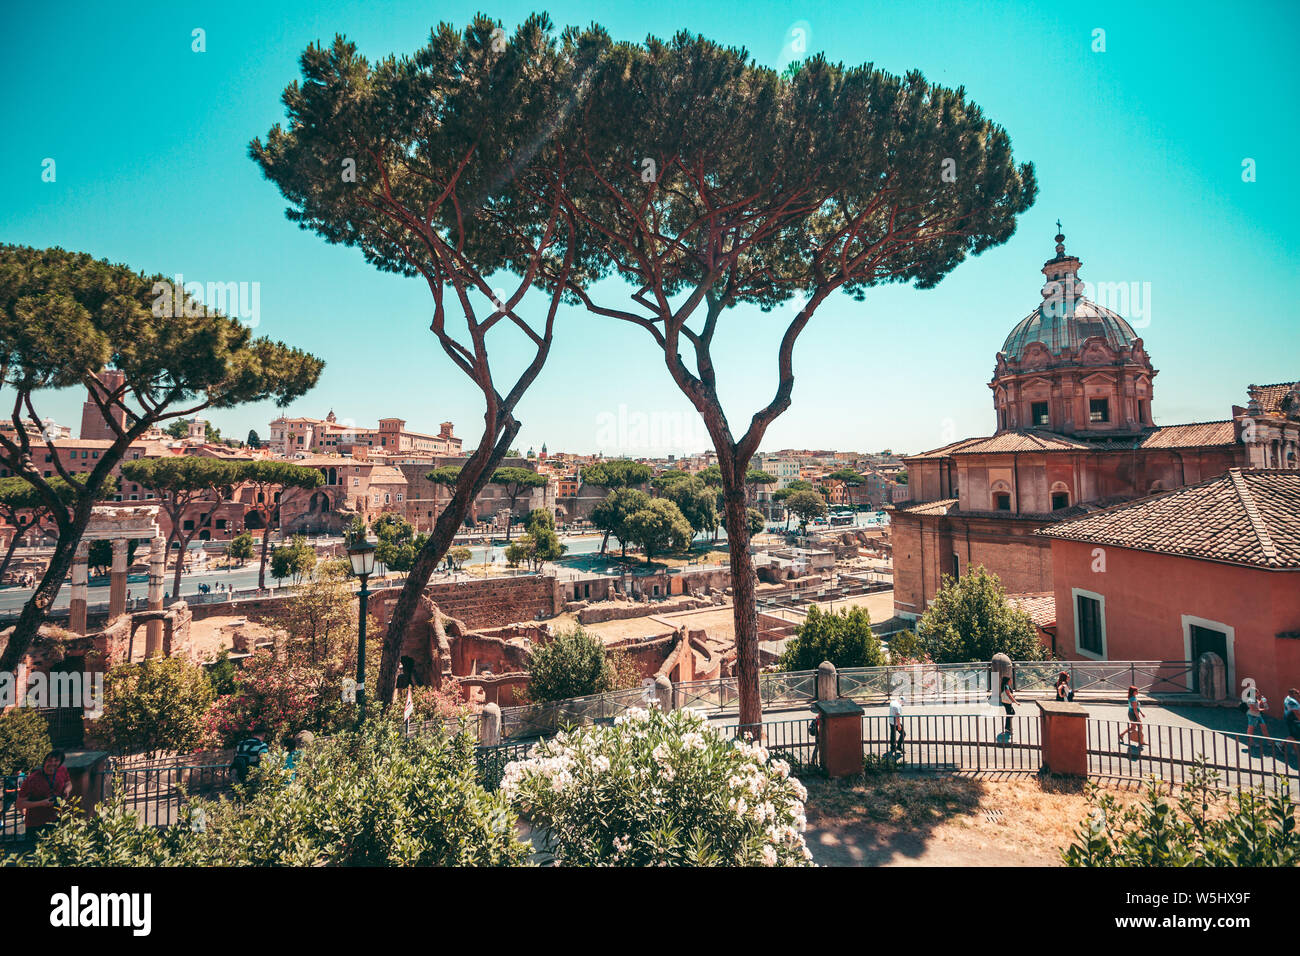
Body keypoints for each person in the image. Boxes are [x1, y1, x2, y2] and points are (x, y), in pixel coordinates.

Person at [16, 750, 72, 843]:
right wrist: (41, 803)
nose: (53, 763)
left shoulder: (62, 770)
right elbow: (19, 804)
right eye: (50, 760)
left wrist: (67, 789)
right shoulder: (32, 779)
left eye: (56, 760)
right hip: (36, 824)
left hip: (57, 819)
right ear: (44, 761)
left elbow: (68, 782)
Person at [1118, 685, 1143, 753]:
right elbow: (1135, 710)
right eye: (1136, 691)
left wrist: (1141, 713)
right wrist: (1138, 719)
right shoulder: (1133, 699)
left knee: (1133, 727)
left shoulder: (1133, 697)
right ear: (1133, 692)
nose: (1138, 692)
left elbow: (1137, 708)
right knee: (1140, 727)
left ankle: (1121, 735)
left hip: (1131, 714)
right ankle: (1141, 741)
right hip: (1133, 715)